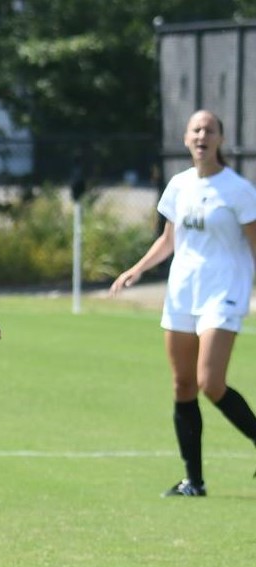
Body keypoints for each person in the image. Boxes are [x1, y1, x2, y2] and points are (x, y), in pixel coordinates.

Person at [110, 108, 256, 496]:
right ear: (186, 139)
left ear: (220, 139)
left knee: (211, 382)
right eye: (195, 130)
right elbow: (169, 240)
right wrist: (136, 269)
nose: (201, 136)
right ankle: (193, 480)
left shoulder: (239, 190)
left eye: (209, 130)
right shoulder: (179, 185)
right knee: (183, 384)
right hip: (182, 291)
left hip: (224, 291)